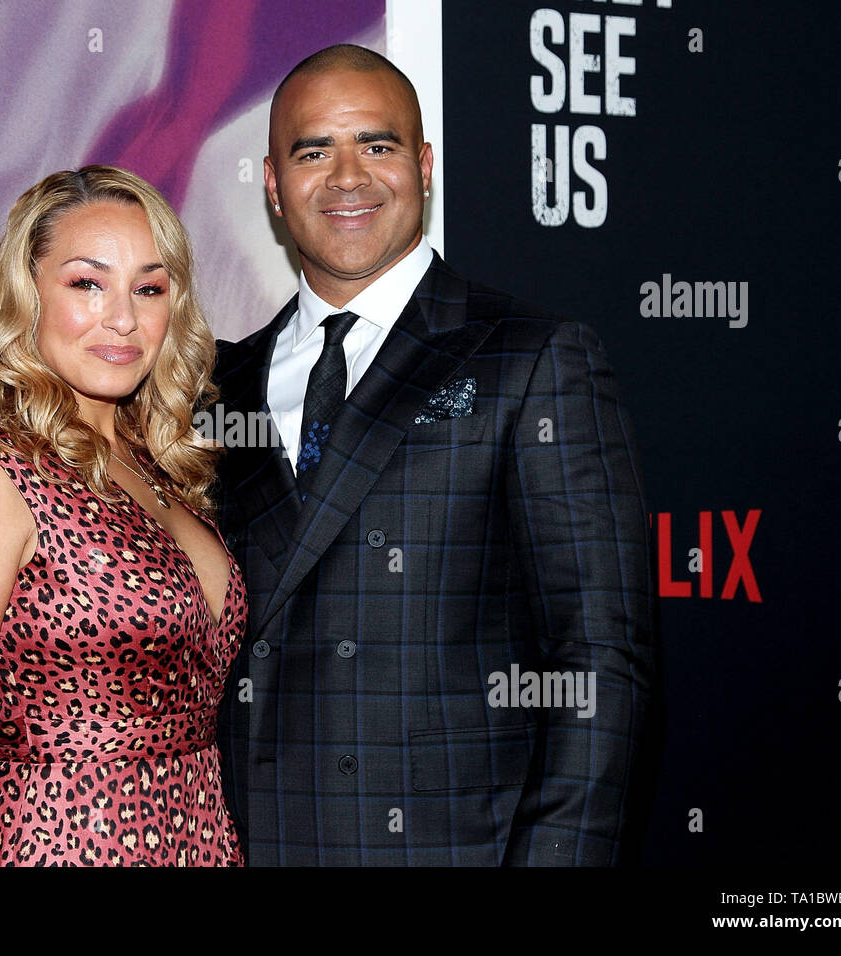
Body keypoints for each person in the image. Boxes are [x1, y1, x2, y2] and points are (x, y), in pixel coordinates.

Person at [214, 44, 657, 865]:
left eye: (376, 146)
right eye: (314, 152)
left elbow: (599, 659)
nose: (348, 177)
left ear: (423, 166)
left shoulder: (530, 357)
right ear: (273, 185)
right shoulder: (215, 384)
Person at [0, 165, 244, 866]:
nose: (124, 318)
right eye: (87, 283)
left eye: (150, 288)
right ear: (27, 296)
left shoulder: (159, 471)